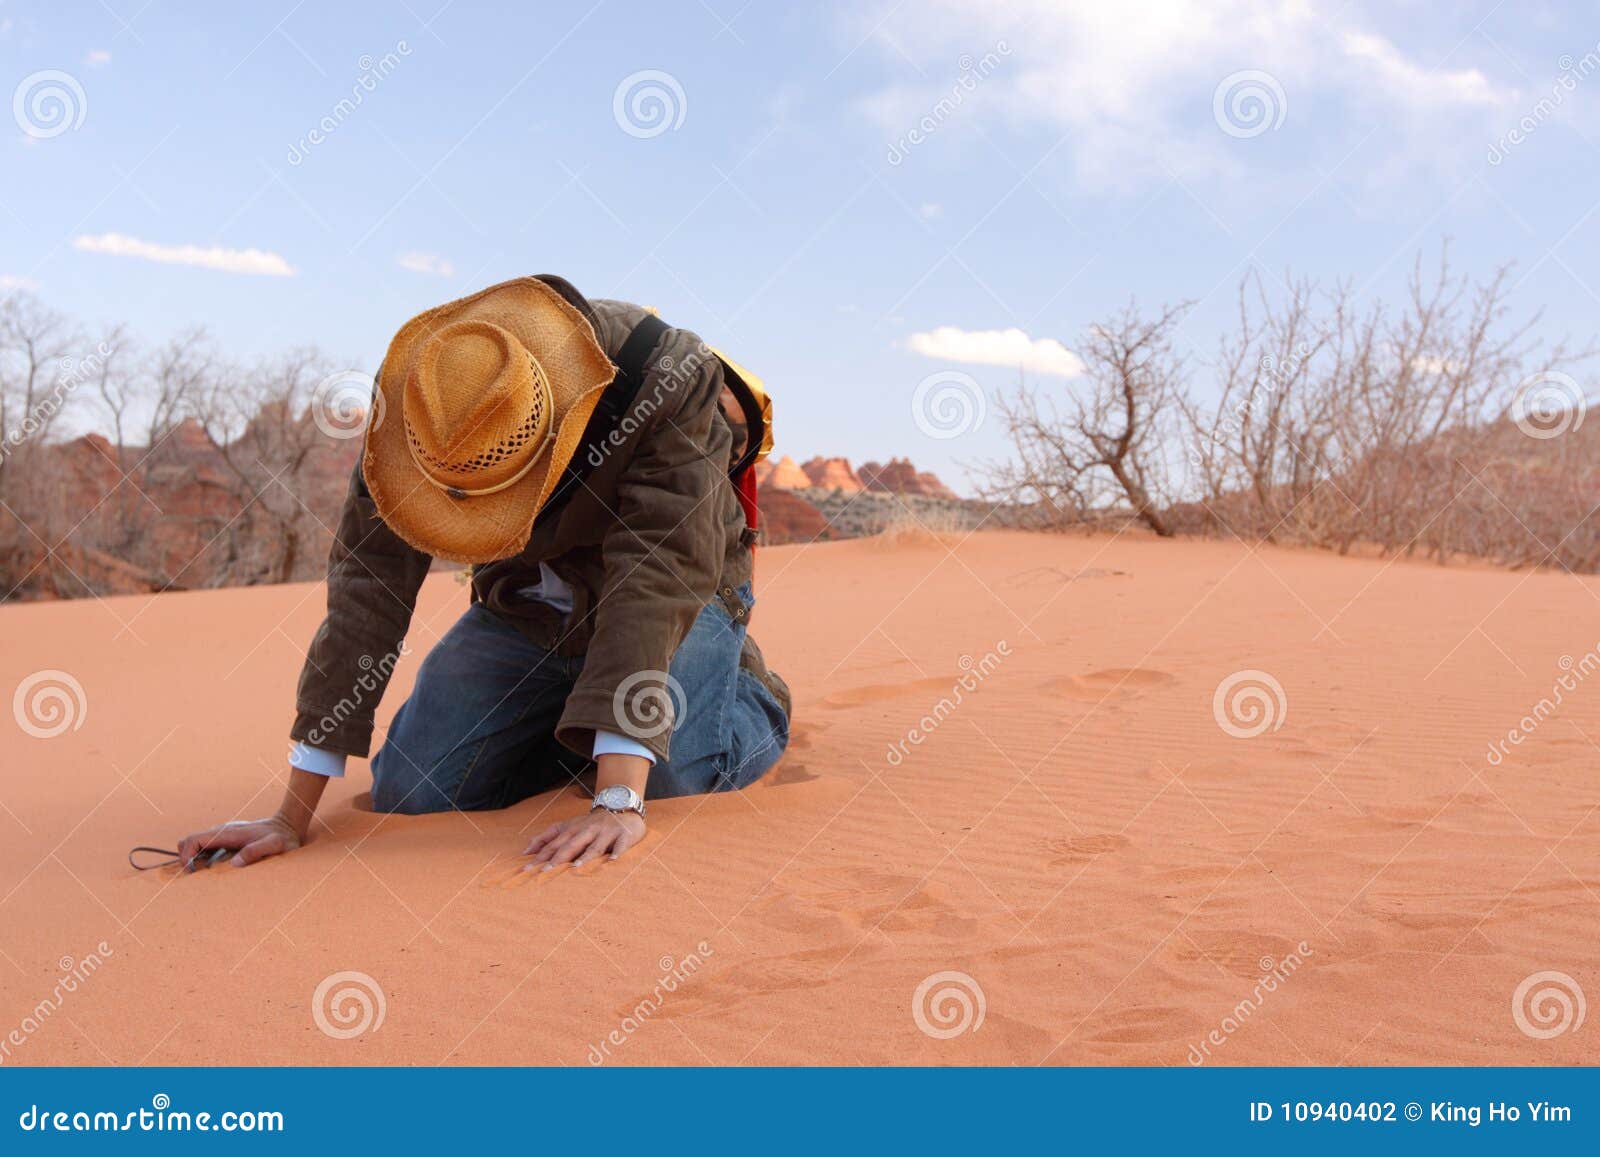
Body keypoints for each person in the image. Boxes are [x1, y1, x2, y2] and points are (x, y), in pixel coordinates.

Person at [177, 276, 790, 873]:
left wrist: (617, 799)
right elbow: (366, 599)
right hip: (529, 606)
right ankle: (580, 723)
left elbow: (658, 568)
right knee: (415, 791)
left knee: (670, 779)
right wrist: (290, 816)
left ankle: (746, 698)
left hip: (677, 592)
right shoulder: (417, 417)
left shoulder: (665, 373)